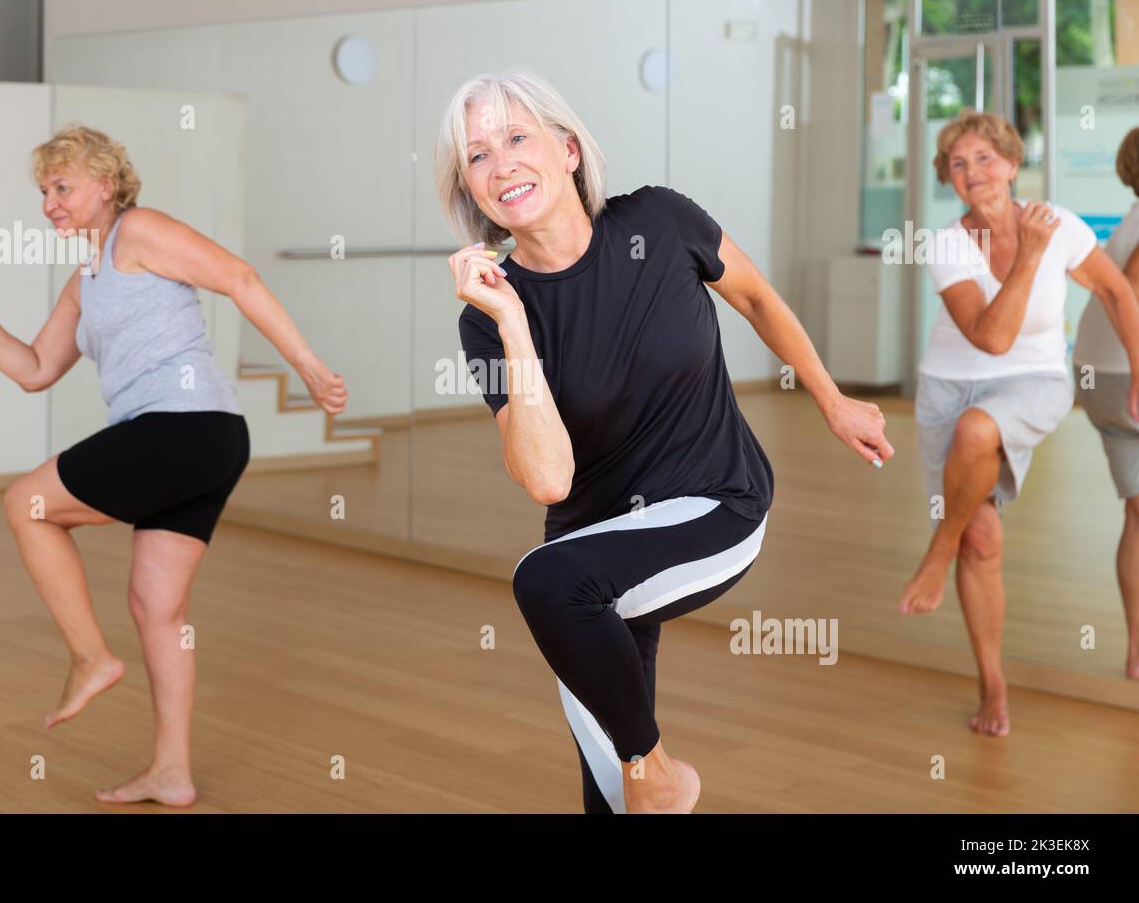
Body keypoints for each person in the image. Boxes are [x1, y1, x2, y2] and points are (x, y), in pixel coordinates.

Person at [437, 69, 892, 813]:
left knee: (548, 587)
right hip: (596, 553)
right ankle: (648, 775)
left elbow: (754, 297)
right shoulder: (486, 319)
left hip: (714, 504)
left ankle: (659, 769)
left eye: (517, 137)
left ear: (569, 150)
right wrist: (515, 323)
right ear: (469, 187)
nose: (502, 164)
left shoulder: (660, 221)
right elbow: (548, 481)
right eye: (478, 155)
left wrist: (831, 398)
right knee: (609, 797)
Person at [0, 124, 347, 805]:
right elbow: (35, 369)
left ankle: (91, 658)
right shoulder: (85, 279)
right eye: (43, 192)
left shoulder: (141, 230)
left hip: (183, 428)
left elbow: (238, 278)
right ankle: (171, 771)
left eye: (62, 187)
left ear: (105, 183)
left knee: (26, 504)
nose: (50, 204)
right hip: (199, 440)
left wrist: (307, 366)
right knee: (157, 607)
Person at [900, 111, 1139, 735]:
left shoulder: (1058, 227)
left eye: (984, 158)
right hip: (948, 390)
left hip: (1036, 383)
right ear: (948, 179)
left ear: (1010, 164)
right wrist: (1029, 254)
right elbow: (989, 334)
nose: (972, 172)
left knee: (978, 432)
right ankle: (993, 689)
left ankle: (937, 548)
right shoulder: (946, 244)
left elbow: (1118, 293)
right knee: (983, 540)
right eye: (958, 163)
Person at [1072, 125, 1139, 680]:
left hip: (1100, 377)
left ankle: (1137, 650)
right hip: (1128, 375)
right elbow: (1132, 286)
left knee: (1136, 512)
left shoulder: (1129, 219)